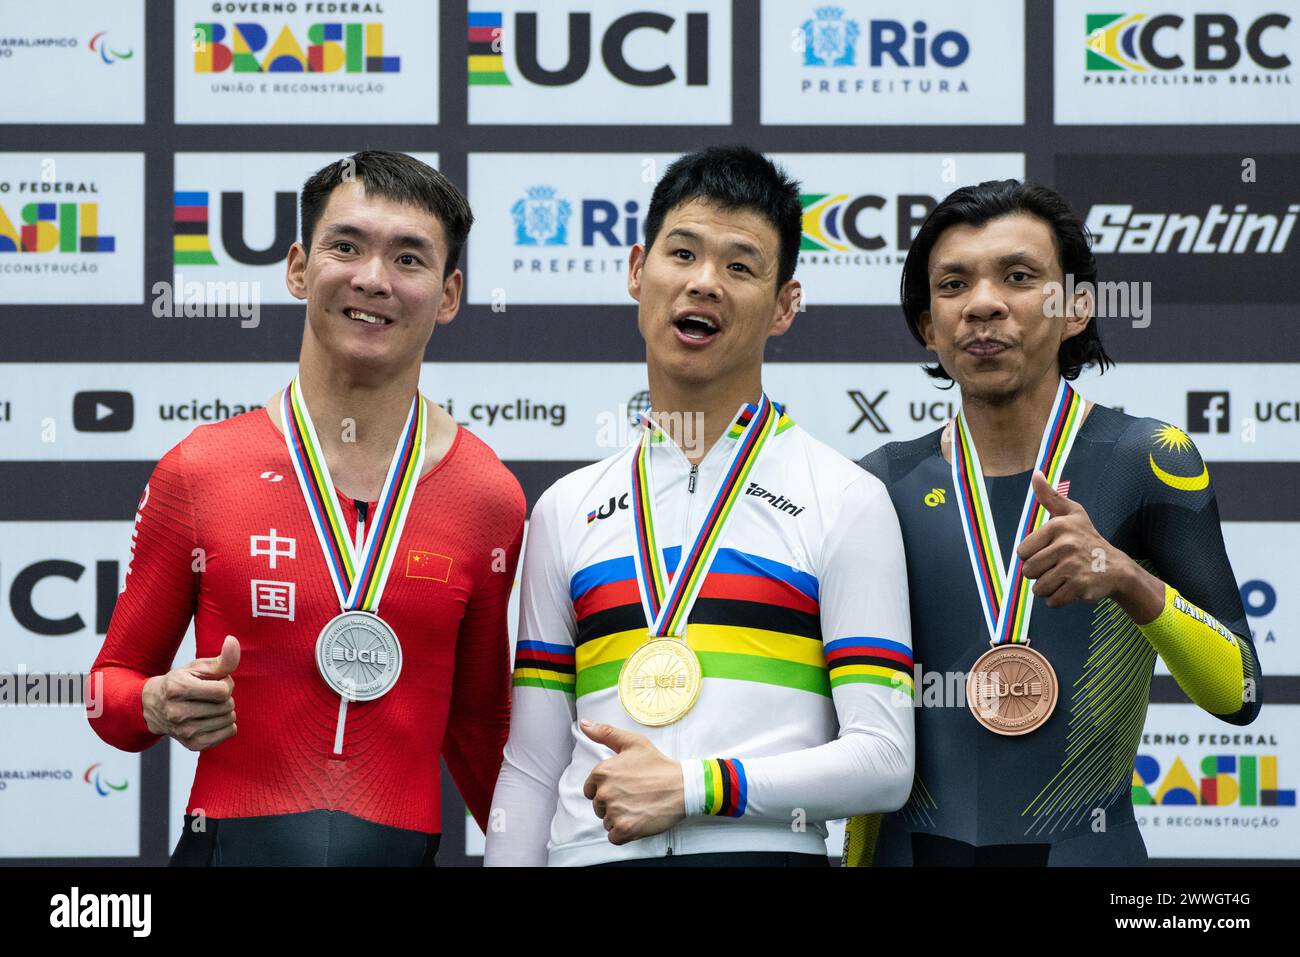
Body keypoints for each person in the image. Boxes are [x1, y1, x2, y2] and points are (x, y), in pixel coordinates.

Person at [87, 151, 525, 866]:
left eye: (408, 258)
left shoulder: (486, 496)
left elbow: (481, 730)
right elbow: (109, 694)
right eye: (345, 246)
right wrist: (158, 702)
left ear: (448, 295)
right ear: (298, 267)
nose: (372, 278)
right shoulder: (201, 470)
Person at [484, 145, 914, 867]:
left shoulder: (844, 498)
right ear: (635, 271)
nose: (705, 282)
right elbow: (531, 766)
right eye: (681, 253)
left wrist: (695, 786)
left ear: (785, 306)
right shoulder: (566, 508)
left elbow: (884, 758)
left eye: (741, 266)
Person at [844, 179, 1261, 867]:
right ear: (928, 325)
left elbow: (1241, 693)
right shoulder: (874, 484)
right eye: (953, 284)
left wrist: (1128, 579)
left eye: (1018, 276)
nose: (983, 303)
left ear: (1075, 309)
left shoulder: (1150, 459)